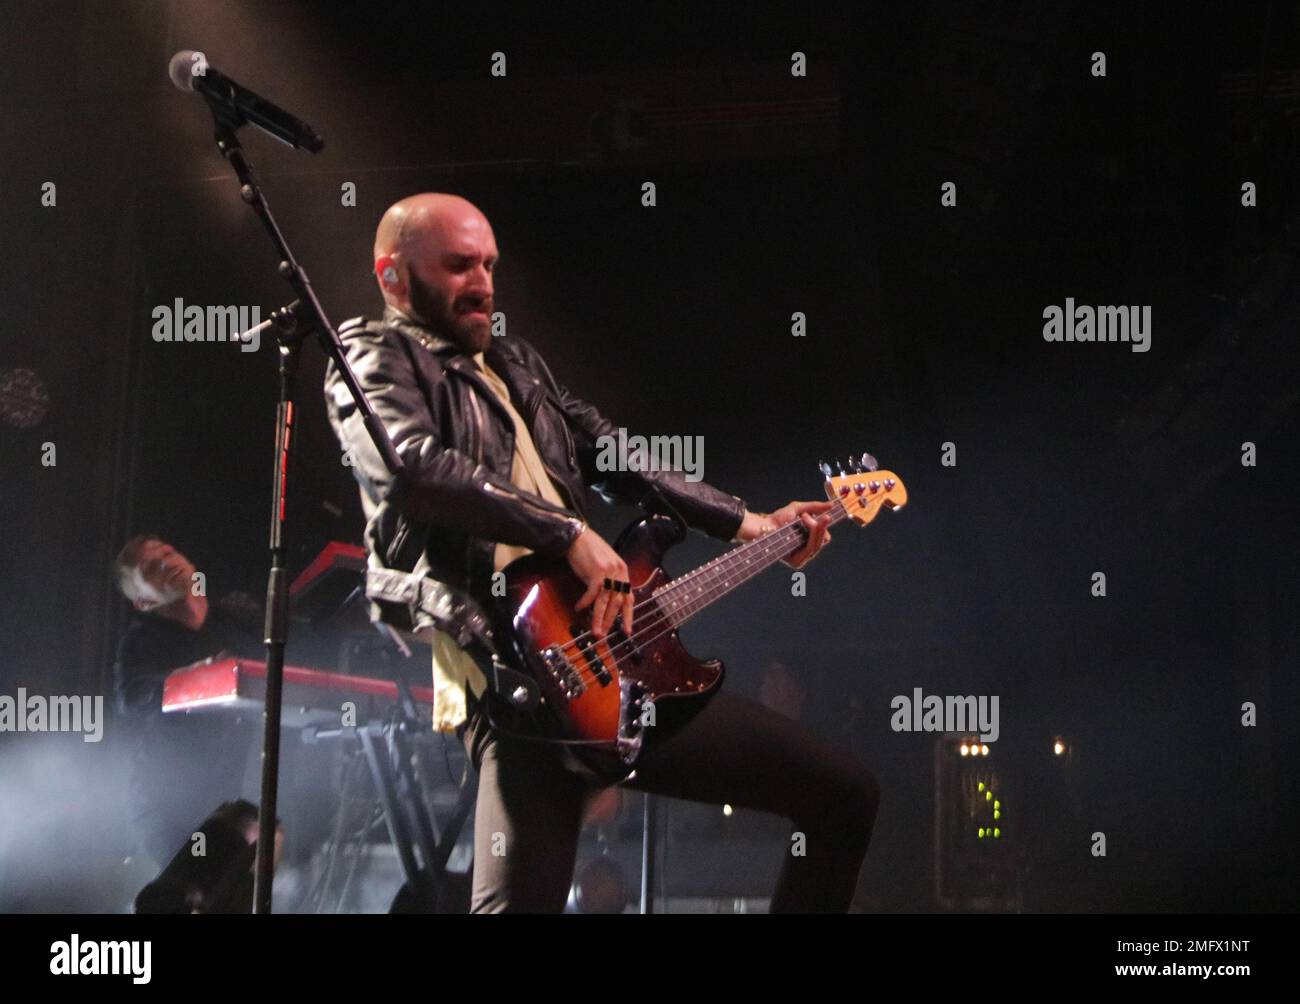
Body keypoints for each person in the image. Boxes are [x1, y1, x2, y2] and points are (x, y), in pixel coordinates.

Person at [324, 193, 881, 912]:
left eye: (489, 264)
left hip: (612, 661)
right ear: (393, 275)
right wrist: (569, 535)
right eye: (459, 265)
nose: (484, 283)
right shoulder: (373, 354)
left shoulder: (517, 362)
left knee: (844, 796)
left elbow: (618, 457)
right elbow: (412, 469)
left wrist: (749, 522)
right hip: (513, 675)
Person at [112, 534, 261, 868]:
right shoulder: (143, 640)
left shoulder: (238, 620)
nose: (168, 562)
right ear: (144, 602)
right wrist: (197, 678)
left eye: (169, 552)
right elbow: (131, 697)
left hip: (239, 795)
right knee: (193, 892)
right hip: (170, 804)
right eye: (152, 567)